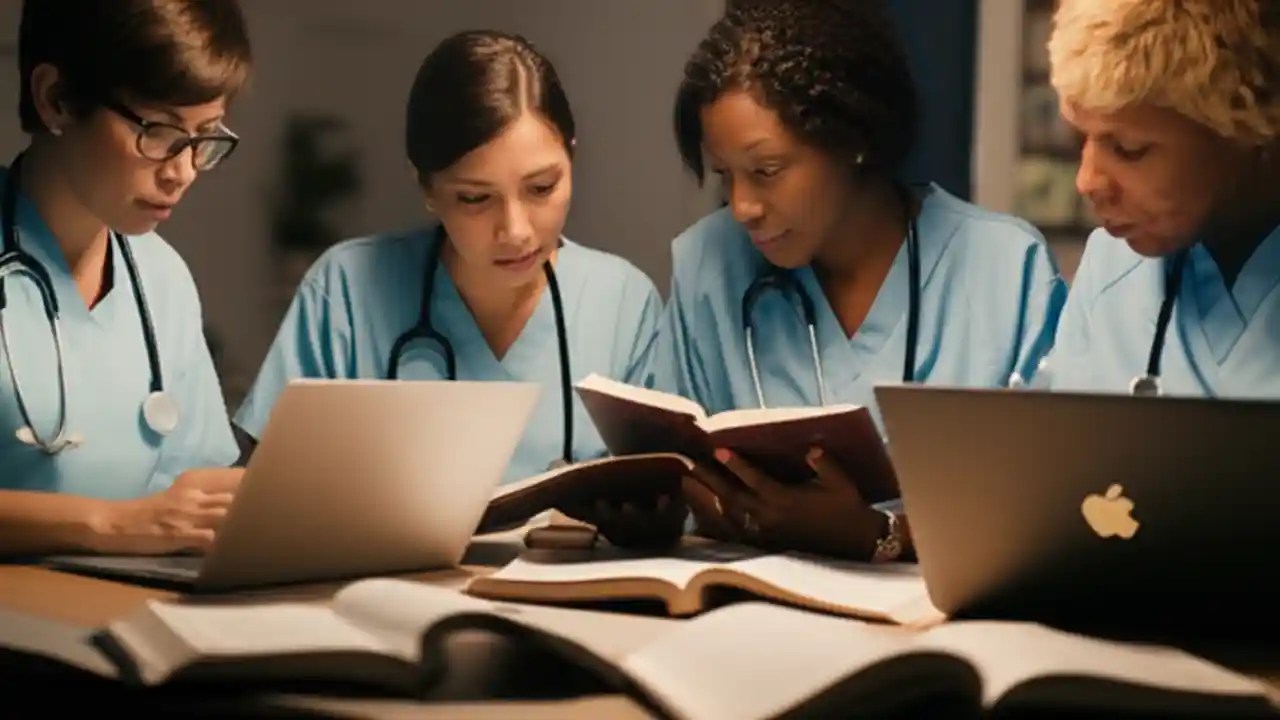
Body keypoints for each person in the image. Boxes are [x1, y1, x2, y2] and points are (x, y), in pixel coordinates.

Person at [647, 0, 1068, 559]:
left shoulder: (1004, 269)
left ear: (853, 138)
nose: (742, 205)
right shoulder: (709, 264)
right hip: (747, 620)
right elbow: (676, 473)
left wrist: (879, 535)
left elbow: (1051, 508)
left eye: (766, 171)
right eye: (725, 176)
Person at [234, 30, 670, 543]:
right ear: (427, 189)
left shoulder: (624, 302)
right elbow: (262, 507)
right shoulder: (347, 291)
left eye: (542, 188)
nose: (516, 230)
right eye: (474, 199)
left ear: (572, 157)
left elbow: (661, 501)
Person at [0, 0, 253, 557]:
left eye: (204, 137)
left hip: (126, 608)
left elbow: (194, 481)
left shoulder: (161, 278)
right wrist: (109, 525)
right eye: (160, 131)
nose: (182, 171)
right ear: (56, 100)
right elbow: (140, 522)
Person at [1044, 0, 1280, 399]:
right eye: (1079, 140)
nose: (1087, 182)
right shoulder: (1111, 271)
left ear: (1246, 128)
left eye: (1128, 148)